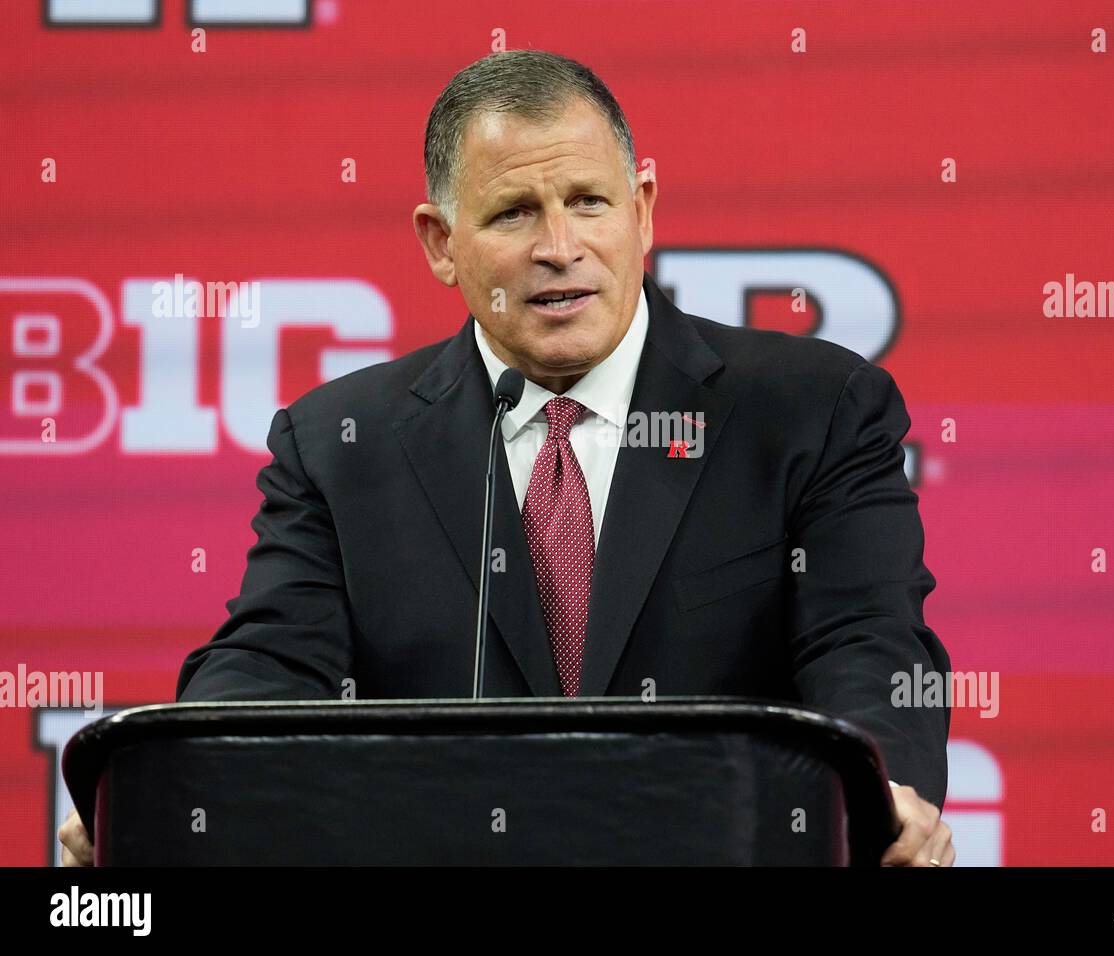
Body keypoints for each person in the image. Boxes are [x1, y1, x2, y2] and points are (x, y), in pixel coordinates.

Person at [62, 50, 953, 868]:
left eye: (589, 202)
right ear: (441, 244)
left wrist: (878, 789)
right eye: (514, 212)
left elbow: (866, 641)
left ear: (642, 210)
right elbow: (269, 667)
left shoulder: (808, 409)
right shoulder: (342, 443)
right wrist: (167, 787)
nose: (558, 247)